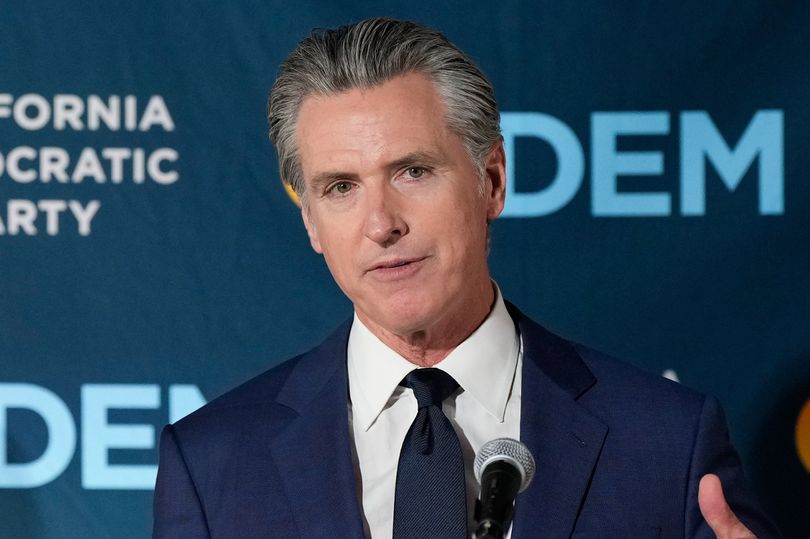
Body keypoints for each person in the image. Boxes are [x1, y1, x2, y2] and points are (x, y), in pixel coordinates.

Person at [153, 17, 779, 538]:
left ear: (492, 181)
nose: (381, 224)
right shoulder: (212, 465)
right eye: (341, 187)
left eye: (413, 171)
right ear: (311, 223)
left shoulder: (668, 442)